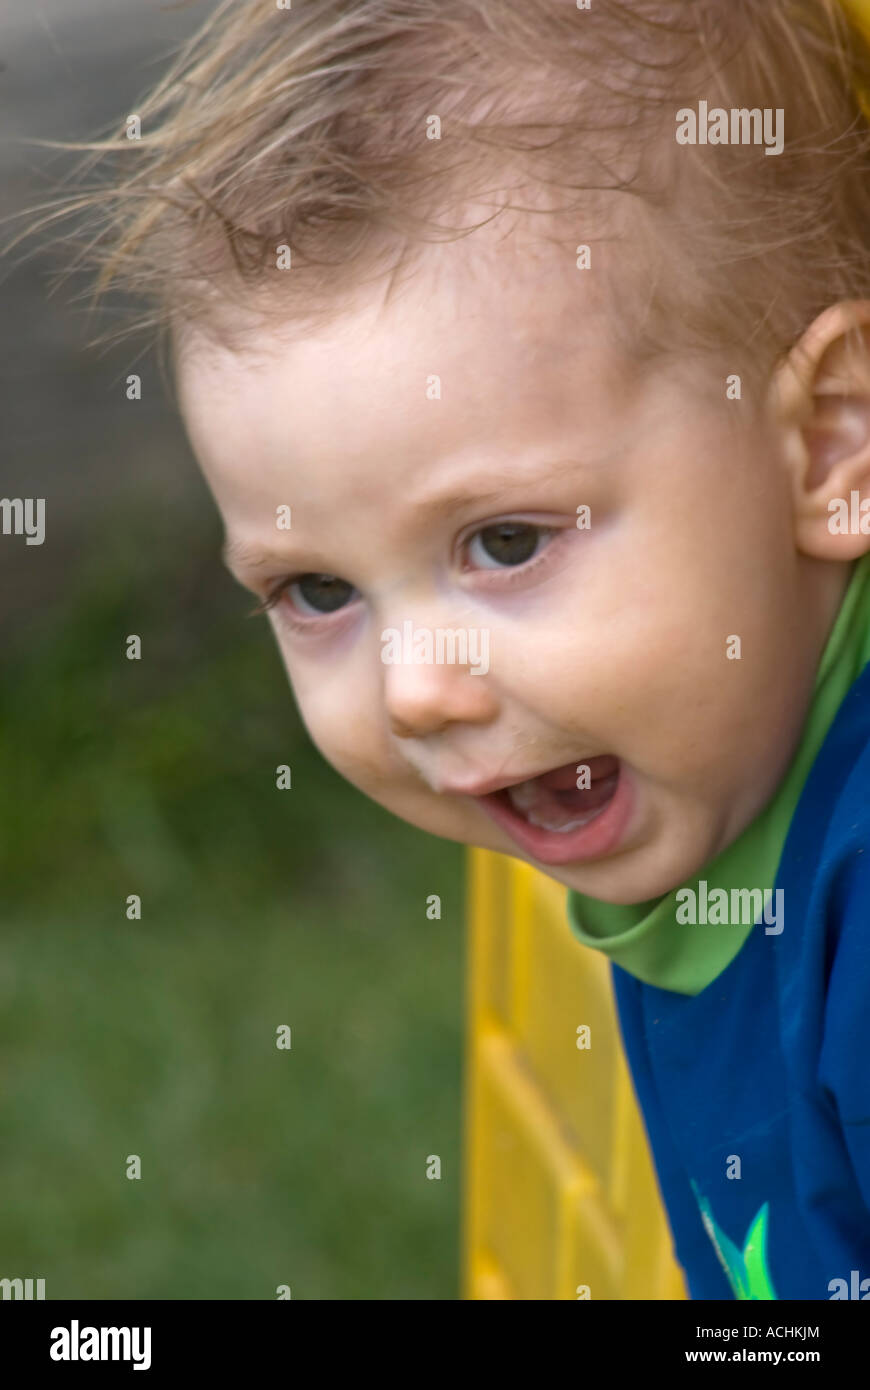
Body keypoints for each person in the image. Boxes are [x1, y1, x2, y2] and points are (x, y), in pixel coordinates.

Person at [21, 0, 870, 1298]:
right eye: (315, 589)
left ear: (826, 446)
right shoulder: (704, 782)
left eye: (508, 543)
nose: (412, 689)